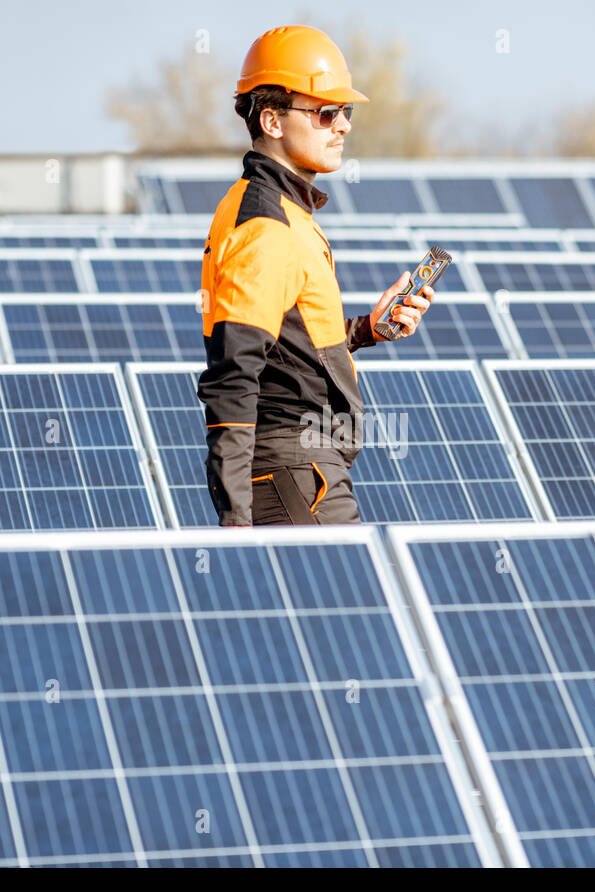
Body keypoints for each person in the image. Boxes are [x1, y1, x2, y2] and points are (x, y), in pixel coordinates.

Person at [197, 24, 434, 527]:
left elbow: (286, 343)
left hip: (304, 469)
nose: (343, 125)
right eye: (326, 113)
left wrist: (366, 329)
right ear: (272, 121)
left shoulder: (283, 212)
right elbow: (232, 375)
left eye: (346, 112)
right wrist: (236, 519)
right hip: (294, 472)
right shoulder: (265, 225)